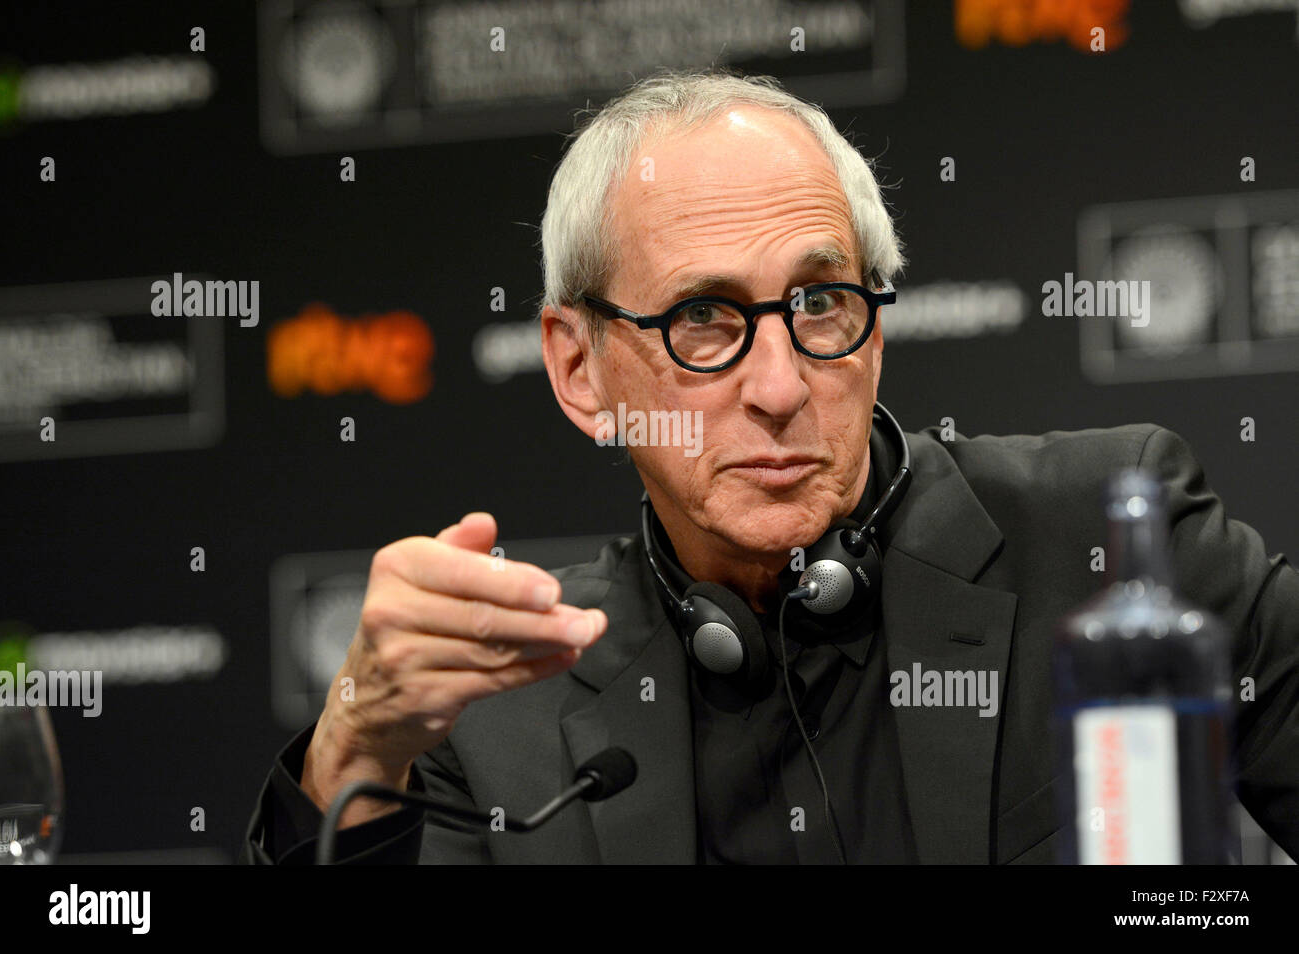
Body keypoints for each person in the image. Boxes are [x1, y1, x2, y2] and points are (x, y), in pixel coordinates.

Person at [241, 68, 1299, 864]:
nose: (782, 386)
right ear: (579, 369)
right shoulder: (497, 718)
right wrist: (355, 752)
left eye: (820, 304)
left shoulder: (1113, 547)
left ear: (874, 330)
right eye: (705, 319)